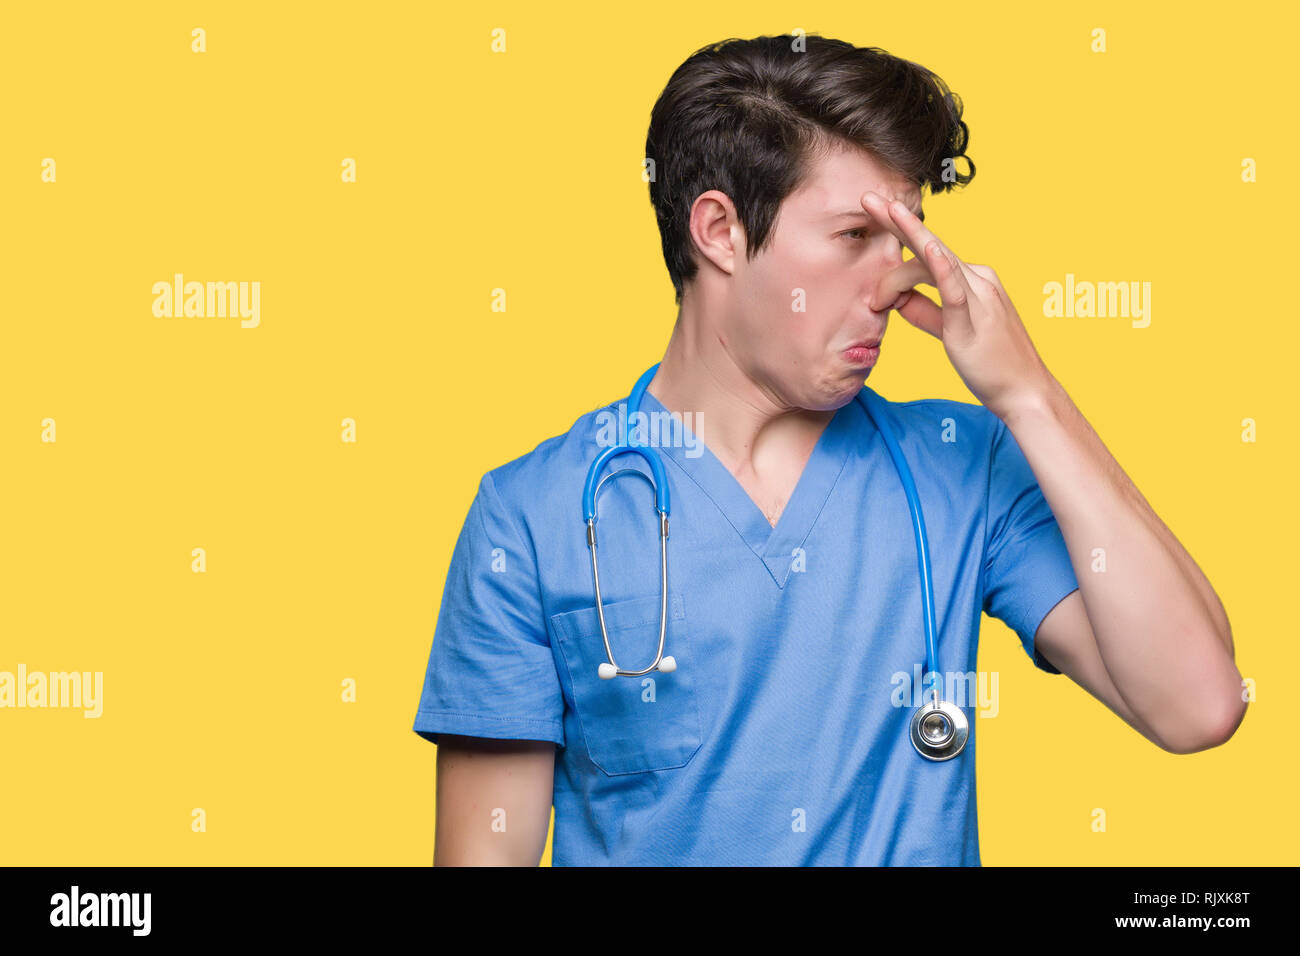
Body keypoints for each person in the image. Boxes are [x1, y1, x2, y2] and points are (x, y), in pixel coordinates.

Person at [412, 34, 1246, 866]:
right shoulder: (530, 516)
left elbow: (1198, 706)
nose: (899, 278)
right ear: (720, 231)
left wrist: (1030, 397)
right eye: (856, 235)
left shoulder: (965, 466)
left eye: (910, 232)